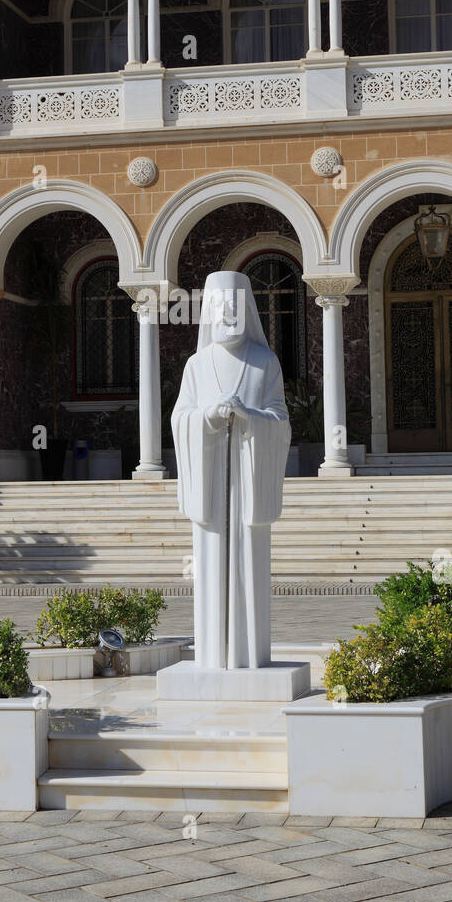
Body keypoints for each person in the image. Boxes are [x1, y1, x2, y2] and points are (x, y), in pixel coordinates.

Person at [171, 270, 291, 669]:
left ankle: (249, 656)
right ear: (209, 311)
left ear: (247, 311)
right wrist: (208, 416)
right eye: (220, 307)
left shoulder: (265, 362)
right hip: (210, 482)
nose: (227, 314)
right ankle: (211, 658)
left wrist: (249, 416)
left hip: (248, 481)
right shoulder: (196, 365)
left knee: (249, 567)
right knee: (210, 562)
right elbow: (180, 418)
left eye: (234, 307)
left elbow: (280, 419)